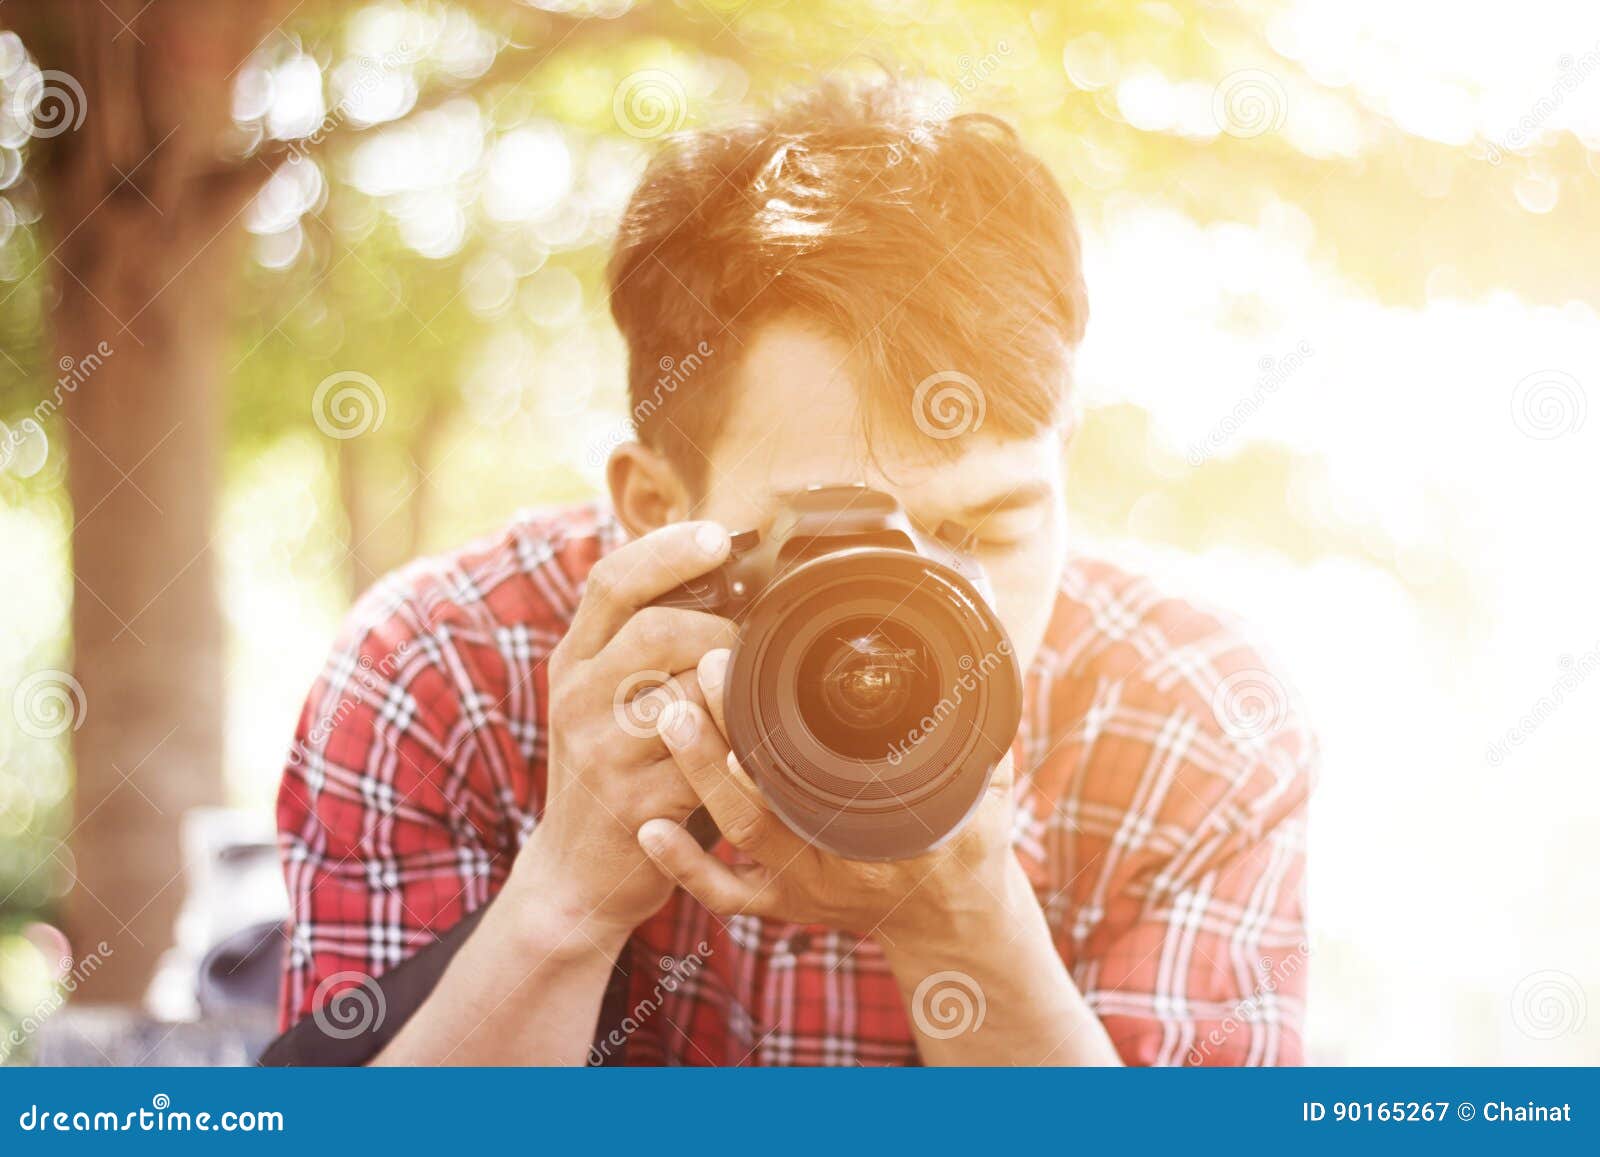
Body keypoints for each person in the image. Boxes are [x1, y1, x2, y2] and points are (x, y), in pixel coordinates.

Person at [274, 80, 1315, 1066]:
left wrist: (969, 931)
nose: (912, 619)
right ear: (657, 510)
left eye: (987, 528)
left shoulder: (1195, 719)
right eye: (832, 541)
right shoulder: (441, 674)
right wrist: (566, 901)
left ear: (1061, 469)